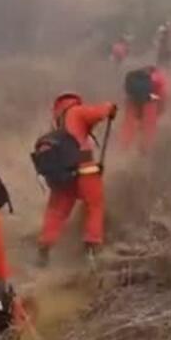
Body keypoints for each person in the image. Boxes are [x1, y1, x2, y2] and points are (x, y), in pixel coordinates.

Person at [37, 92, 117, 267]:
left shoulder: (56, 122)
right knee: (94, 205)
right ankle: (92, 248)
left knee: (56, 212)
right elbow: (99, 112)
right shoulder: (76, 111)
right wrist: (110, 107)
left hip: (63, 175)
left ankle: (44, 250)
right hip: (85, 170)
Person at [119, 65, 169, 155]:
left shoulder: (135, 77)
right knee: (148, 127)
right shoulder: (160, 77)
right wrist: (160, 110)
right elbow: (163, 95)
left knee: (129, 126)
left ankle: (124, 148)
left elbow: (126, 91)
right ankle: (145, 150)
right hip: (150, 100)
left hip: (132, 100)